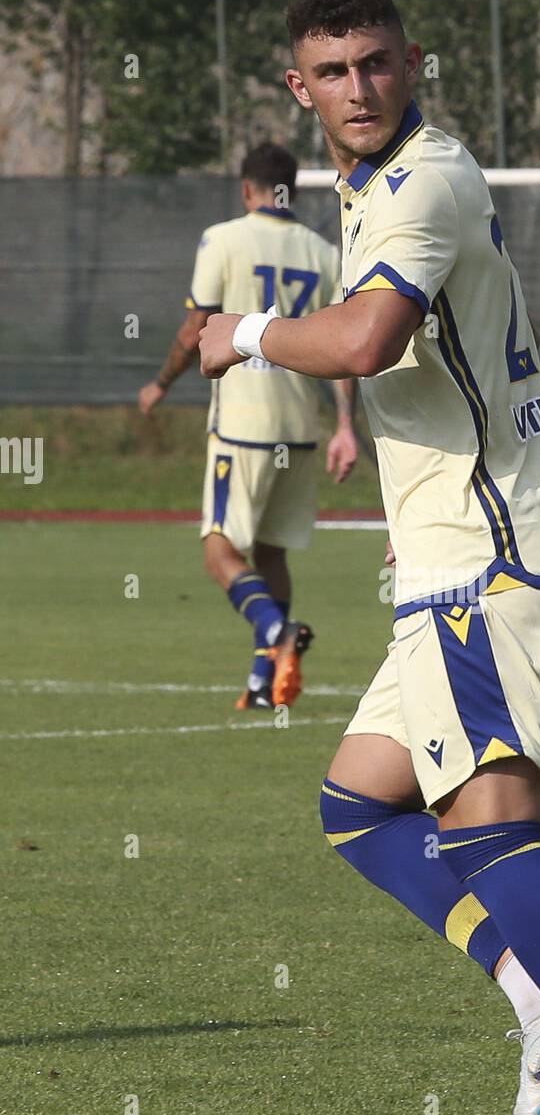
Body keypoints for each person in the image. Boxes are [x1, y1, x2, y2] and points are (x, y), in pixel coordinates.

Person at [198, 0, 540, 1115]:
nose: (358, 87)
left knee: (489, 835)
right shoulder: (365, 186)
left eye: (376, 62)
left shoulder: (424, 176)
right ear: (298, 86)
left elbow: (367, 340)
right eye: (333, 70)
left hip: (486, 575)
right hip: (452, 565)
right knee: (359, 807)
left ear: (413, 61)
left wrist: (247, 335)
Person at [139, 141, 358, 708]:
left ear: (246, 189)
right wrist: (346, 427)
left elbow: (195, 330)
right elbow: (342, 346)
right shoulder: (322, 252)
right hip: (300, 426)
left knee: (219, 549)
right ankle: (264, 684)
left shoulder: (223, 238)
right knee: (272, 553)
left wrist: (161, 383)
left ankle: (276, 633)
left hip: (242, 423)